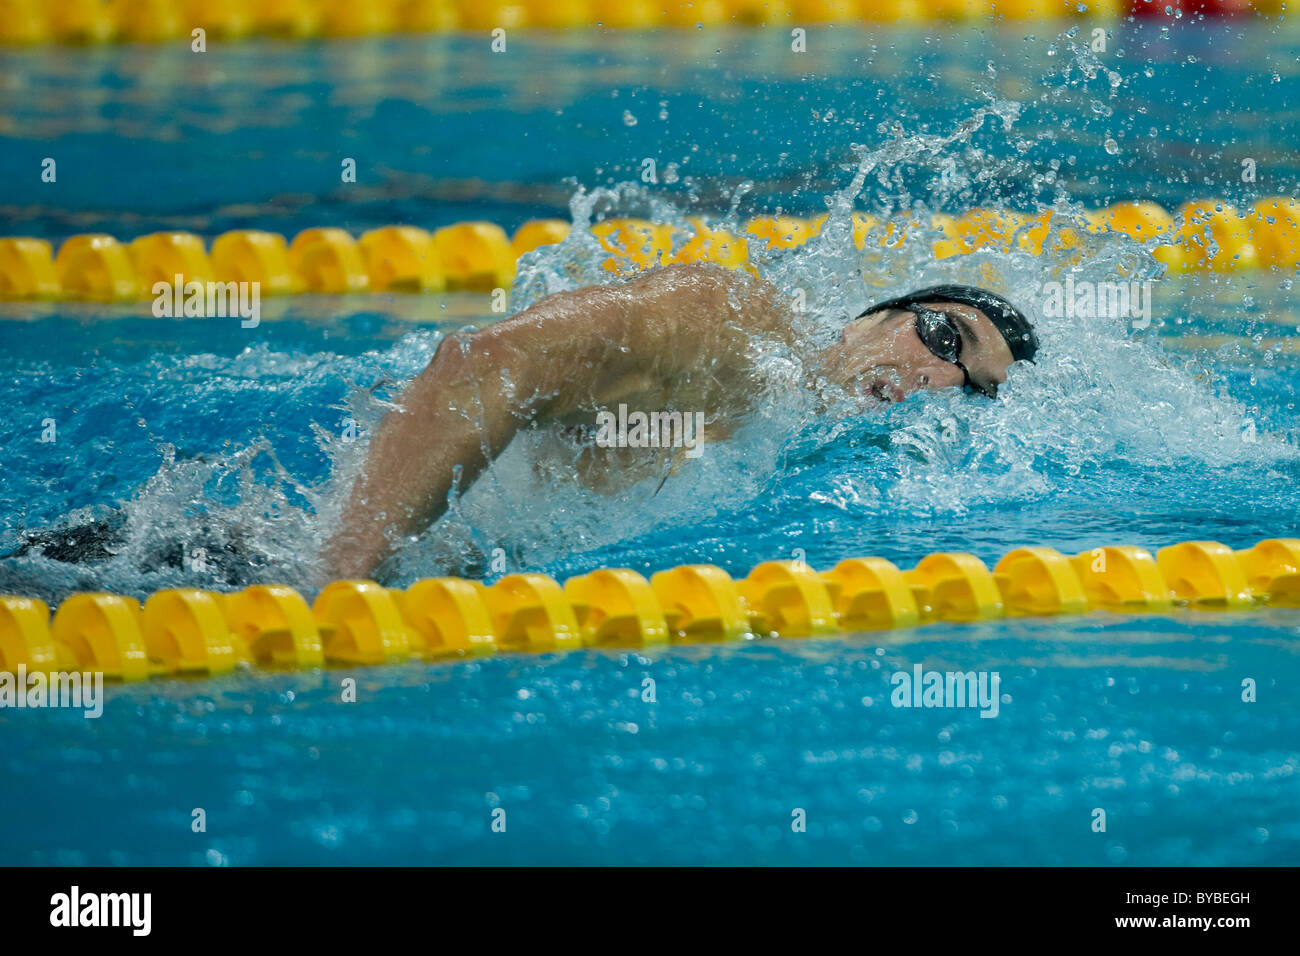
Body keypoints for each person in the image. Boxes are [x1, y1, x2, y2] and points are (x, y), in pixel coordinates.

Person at [322, 262, 1038, 580]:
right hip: (292, 574)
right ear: (872, 317)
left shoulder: (812, 463)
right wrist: (340, 580)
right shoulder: (731, 327)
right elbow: (484, 362)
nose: (939, 376)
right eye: (946, 338)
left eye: (969, 389)